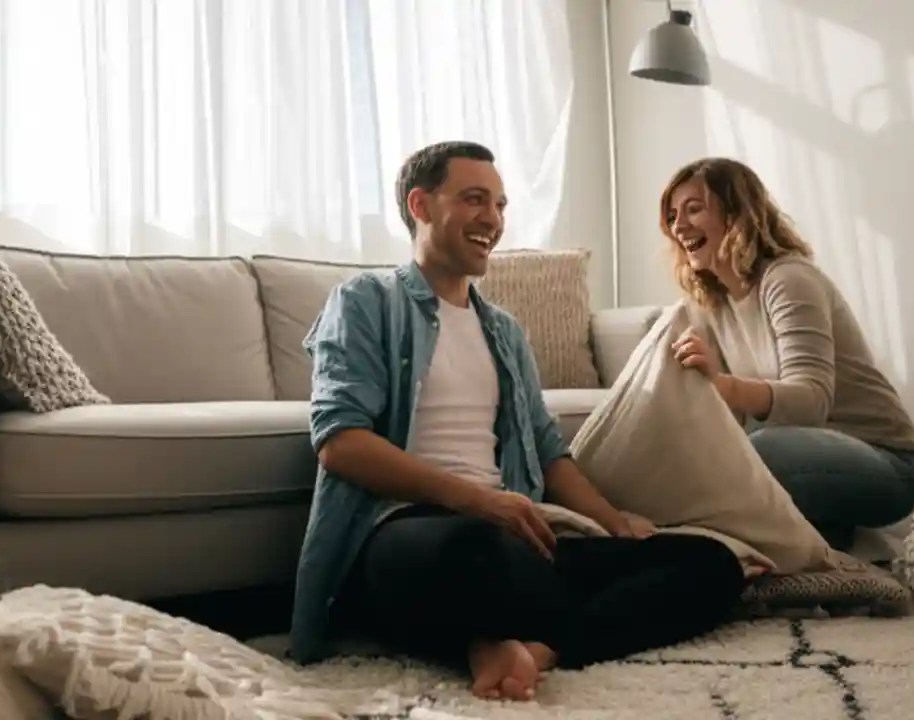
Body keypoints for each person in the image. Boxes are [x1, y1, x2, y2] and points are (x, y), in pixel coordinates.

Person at [287, 141, 746, 700]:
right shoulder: (364, 301)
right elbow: (340, 443)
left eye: (501, 205)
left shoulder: (503, 330)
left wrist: (615, 524)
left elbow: (548, 451)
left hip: (508, 534)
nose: (494, 219)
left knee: (713, 563)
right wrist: (477, 500)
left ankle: (529, 648)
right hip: (407, 532)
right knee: (480, 555)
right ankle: (528, 626)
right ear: (421, 205)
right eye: (475, 199)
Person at [660, 157, 914, 552]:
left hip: (887, 464)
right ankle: (833, 547)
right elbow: (726, 420)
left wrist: (721, 385)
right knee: (696, 455)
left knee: (763, 449)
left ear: (736, 213)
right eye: (672, 215)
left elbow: (811, 401)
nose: (679, 226)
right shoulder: (709, 304)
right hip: (806, 463)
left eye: (694, 209)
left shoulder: (787, 279)